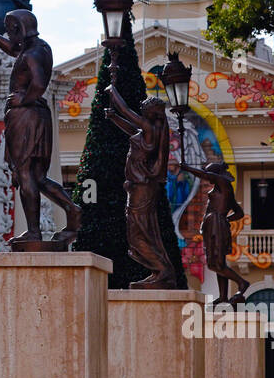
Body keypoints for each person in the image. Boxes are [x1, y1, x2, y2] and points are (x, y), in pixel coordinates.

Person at [0, 9, 80, 246]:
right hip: (36, 116)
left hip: (26, 117)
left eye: (10, 29)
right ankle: (73, 210)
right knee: (38, 176)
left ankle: (34, 232)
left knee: (24, 172)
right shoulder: (38, 47)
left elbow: (38, 82)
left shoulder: (33, 53)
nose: (9, 34)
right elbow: (15, 50)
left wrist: (23, 99)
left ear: (19, 29)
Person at [105, 85, 182, 289]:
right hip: (137, 187)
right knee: (141, 231)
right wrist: (114, 119)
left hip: (142, 187)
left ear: (151, 113)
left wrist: (113, 91)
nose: (141, 111)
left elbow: (126, 111)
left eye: (144, 109)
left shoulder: (152, 129)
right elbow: (132, 129)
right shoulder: (149, 131)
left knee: (139, 232)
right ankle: (159, 271)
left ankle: (163, 270)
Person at [178, 160, 250, 305]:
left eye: (211, 175)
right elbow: (239, 213)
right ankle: (223, 296)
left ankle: (242, 283)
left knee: (214, 264)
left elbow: (205, 174)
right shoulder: (223, 190)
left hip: (216, 225)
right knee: (218, 262)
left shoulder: (224, 185)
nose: (208, 178)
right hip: (215, 225)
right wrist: (225, 220)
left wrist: (187, 168)